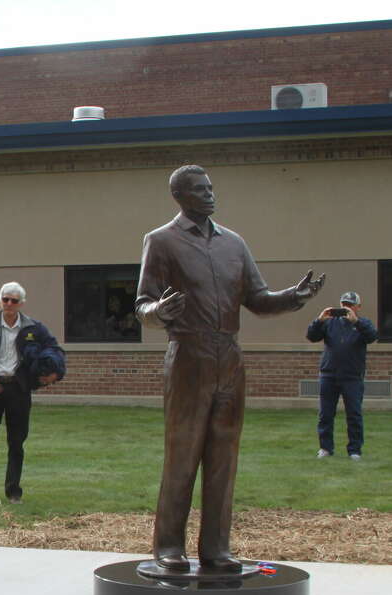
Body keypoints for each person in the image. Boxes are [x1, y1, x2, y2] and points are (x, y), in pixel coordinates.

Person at [135, 165, 324, 572]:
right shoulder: (161, 241)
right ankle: (169, 546)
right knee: (182, 455)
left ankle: (216, 548)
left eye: (210, 188)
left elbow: (257, 298)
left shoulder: (234, 244)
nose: (209, 195)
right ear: (180, 196)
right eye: (199, 190)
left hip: (230, 359)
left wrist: (293, 297)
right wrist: (157, 311)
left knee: (224, 457)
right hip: (188, 355)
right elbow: (142, 304)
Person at [0, 282, 65, 505]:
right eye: (5, 299)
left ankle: (13, 492)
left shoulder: (34, 328)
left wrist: (55, 374)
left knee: (16, 442)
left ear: (21, 304)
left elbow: (55, 350)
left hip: (18, 389)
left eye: (14, 301)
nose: (9, 304)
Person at [306, 291, 378, 460]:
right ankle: (325, 448)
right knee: (325, 414)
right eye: (344, 304)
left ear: (358, 307)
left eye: (351, 305)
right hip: (329, 375)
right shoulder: (329, 323)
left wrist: (356, 322)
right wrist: (319, 320)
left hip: (352, 376)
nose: (347, 307)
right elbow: (311, 336)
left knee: (354, 414)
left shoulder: (363, 323)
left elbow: (372, 336)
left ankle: (354, 450)